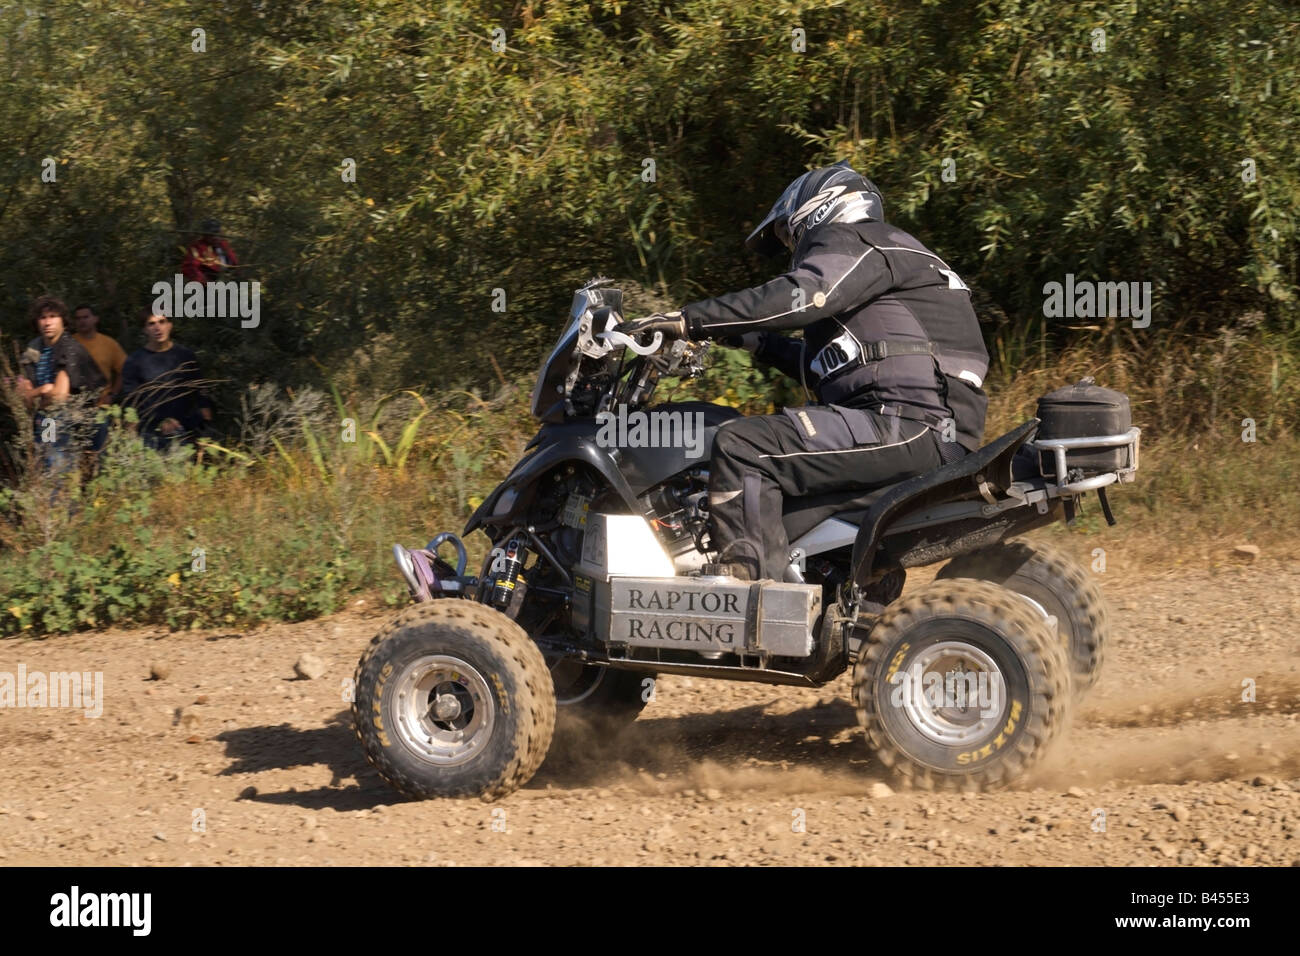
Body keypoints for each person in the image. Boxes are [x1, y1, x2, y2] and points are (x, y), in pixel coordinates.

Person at [614, 161, 990, 580]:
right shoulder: (898, 257)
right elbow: (828, 367)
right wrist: (743, 337)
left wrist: (689, 319)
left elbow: (805, 296)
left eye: (786, 232)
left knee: (743, 446)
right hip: (929, 428)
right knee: (783, 518)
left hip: (908, 423)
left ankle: (745, 600)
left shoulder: (858, 237)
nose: (790, 243)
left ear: (818, 208)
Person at [15, 296, 107, 473]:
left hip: (82, 418)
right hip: (47, 417)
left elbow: (59, 397)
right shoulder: (34, 349)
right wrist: (43, 389)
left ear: (63, 320)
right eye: (43, 317)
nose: (47, 322)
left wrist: (37, 395)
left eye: (53, 316)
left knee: (69, 469)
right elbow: (23, 398)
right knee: (49, 467)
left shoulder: (70, 347)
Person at [120, 310, 213, 450]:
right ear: (145, 330)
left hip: (185, 428)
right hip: (150, 432)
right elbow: (130, 400)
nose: (158, 328)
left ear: (170, 325)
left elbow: (200, 387)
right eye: (151, 324)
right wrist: (131, 435)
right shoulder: (134, 361)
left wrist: (204, 413)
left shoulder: (185, 355)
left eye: (162, 322)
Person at [72, 303, 127, 454]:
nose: (82, 321)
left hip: (100, 407)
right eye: (78, 318)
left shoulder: (109, 344)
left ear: (95, 319)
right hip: (74, 408)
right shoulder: (69, 343)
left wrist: (113, 394)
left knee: (100, 454)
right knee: (74, 453)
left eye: (86, 317)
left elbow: (125, 370)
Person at [181, 218, 239, 284]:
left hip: (228, 281)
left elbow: (234, 261)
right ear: (204, 235)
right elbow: (189, 268)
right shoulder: (198, 247)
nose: (215, 237)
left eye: (217, 233)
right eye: (211, 234)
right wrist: (205, 282)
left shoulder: (224, 244)